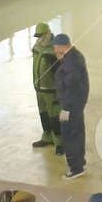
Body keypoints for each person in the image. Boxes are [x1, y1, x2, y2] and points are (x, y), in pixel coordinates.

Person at [54, 34, 89, 179]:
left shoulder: (71, 62)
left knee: (70, 136)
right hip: (77, 104)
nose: (54, 50)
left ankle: (76, 169)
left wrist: (66, 109)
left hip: (71, 106)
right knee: (78, 133)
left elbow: (71, 86)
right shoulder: (73, 56)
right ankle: (80, 162)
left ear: (62, 46)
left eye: (55, 47)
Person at [31, 23, 63, 154]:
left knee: (55, 117)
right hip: (39, 89)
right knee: (43, 115)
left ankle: (61, 143)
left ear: (48, 33)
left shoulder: (55, 50)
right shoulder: (37, 48)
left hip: (51, 91)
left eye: (42, 36)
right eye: (38, 37)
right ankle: (47, 137)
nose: (39, 39)